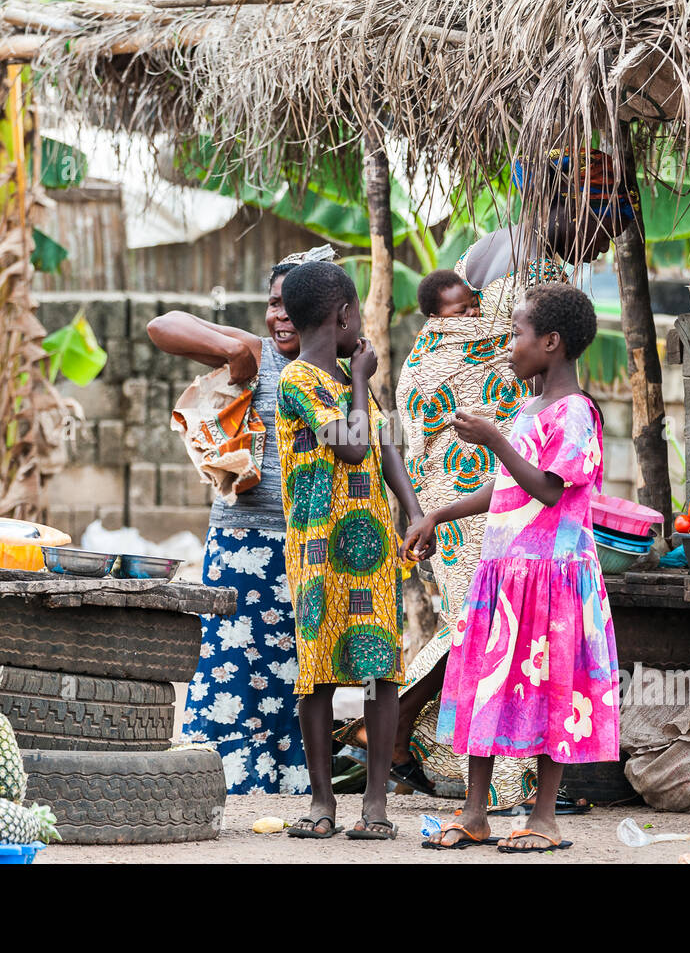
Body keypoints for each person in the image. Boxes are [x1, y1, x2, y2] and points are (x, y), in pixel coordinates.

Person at [336, 148, 635, 810]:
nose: (610, 234)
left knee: (479, 618)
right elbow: (469, 349)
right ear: (569, 205)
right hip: (477, 458)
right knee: (487, 622)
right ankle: (496, 782)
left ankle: (398, 735)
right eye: (605, 216)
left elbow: (449, 344)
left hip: (465, 454)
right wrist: (497, 439)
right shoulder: (541, 271)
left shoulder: (486, 248)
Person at [406, 283, 620, 852]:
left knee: (554, 689)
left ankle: (544, 817)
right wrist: (440, 513)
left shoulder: (578, 414)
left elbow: (548, 491)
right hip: (504, 574)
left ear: (551, 342)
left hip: (553, 579)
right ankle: (475, 812)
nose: (510, 344)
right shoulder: (530, 407)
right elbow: (508, 489)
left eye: (519, 334)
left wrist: (495, 438)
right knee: (484, 684)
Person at [146, 244, 333, 795]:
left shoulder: (341, 370)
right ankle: (220, 780)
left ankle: (296, 785)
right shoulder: (258, 354)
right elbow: (162, 325)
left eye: (294, 305)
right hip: (242, 541)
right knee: (231, 665)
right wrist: (233, 348)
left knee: (301, 672)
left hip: (312, 544)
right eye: (273, 303)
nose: (280, 316)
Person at [275, 260, 423, 840]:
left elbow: (385, 448)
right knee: (317, 674)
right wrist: (361, 377)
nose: (359, 323)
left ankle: (376, 805)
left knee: (380, 672)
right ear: (341, 316)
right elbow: (353, 447)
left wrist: (415, 515)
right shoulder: (300, 381)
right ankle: (322, 803)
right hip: (318, 553)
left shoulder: (345, 383)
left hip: (372, 552)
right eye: (355, 312)